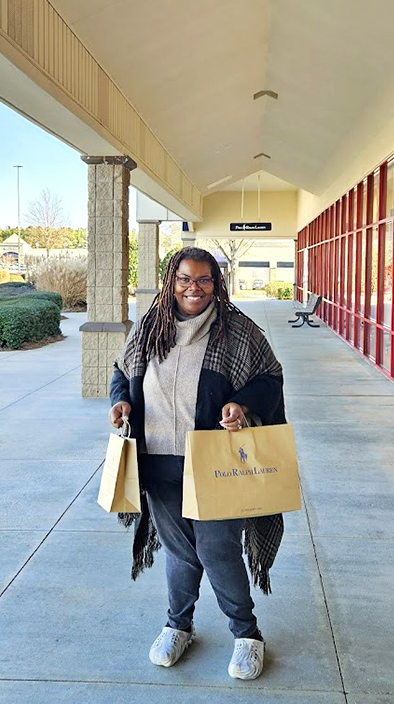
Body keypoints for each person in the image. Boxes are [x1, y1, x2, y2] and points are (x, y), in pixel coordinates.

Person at [108, 247, 285, 681]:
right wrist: (120, 400)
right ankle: (178, 625)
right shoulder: (151, 327)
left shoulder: (238, 331)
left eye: (204, 280)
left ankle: (247, 634)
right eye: (186, 279)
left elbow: (269, 377)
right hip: (158, 462)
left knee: (217, 549)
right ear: (172, 281)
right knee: (179, 552)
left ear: (216, 284)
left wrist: (241, 403)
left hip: (214, 464)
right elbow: (121, 371)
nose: (195, 288)